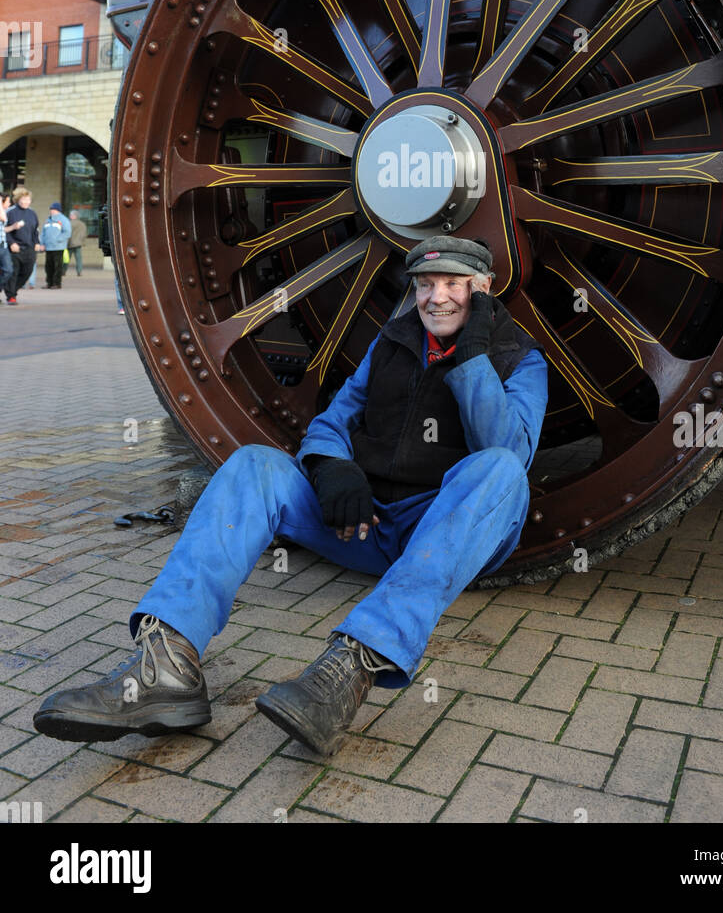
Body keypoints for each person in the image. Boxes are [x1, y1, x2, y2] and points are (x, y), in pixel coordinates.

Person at [34, 236, 548, 757]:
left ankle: (352, 667)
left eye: (454, 284)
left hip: (441, 533)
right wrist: (332, 468)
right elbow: (332, 420)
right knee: (253, 463)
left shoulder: (521, 360)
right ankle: (167, 667)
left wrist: (475, 355)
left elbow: (506, 450)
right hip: (365, 524)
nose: (437, 297)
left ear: (482, 288)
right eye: (425, 284)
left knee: (501, 470)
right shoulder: (393, 341)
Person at [3, 188, 43, 304]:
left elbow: (35, 230)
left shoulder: (32, 213)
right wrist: (11, 243)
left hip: (29, 248)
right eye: (23, 199)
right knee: (13, 272)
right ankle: (11, 296)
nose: (26, 202)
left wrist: (37, 243)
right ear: (17, 200)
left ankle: (12, 290)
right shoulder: (10, 212)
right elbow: (4, 231)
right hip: (14, 249)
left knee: (27, 272)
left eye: (28, 199)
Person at [40, 203, 72, 289]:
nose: (51, 211)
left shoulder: (63, 220)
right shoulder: (48, 220)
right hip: (48, 247)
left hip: (58, 247)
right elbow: (43, 233)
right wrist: (42, 243)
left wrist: (57, 240)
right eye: (51, 209)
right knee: (48, 267)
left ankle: (57, 283)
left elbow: (67, 232)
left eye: (53, 209)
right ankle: (49, 283)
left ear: (58, 210)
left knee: (57, 267)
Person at [0, 195, 13, 296]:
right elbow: (3, 218)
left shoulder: (4, 212)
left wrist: (14, 227)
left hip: (3, 246)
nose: (9, 204)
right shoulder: (2, 213)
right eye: (7, 201)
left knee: (8, 270)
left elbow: (3, 229)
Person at [67, 209, 87, 276]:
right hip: (79, 244)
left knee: (66, 258)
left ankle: (63, 271)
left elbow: (68, 234)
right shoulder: (82, 224)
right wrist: (82, 242)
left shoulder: (69, 223)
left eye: (71, 215)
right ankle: (79, 272)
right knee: (79, 259)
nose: (70, 216)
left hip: (70, 244)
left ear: (74, 216)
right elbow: (84, 234)